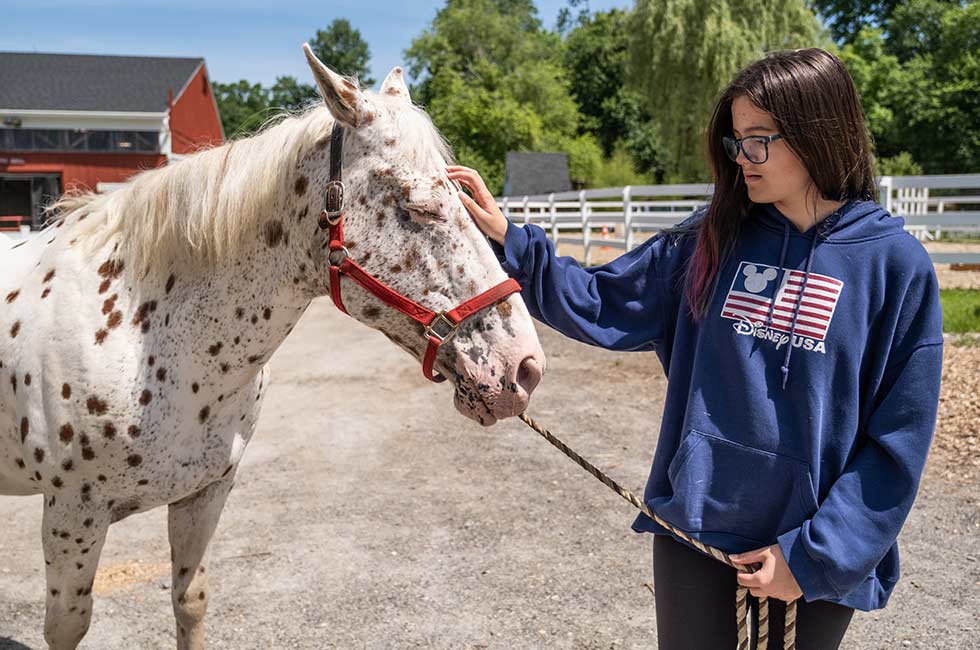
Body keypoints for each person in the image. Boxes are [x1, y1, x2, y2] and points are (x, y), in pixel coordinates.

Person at [447, 48, 944, 650]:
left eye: (759, 139)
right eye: (736, 140)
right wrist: (510, 240)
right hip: (696, 531)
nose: (742, 158)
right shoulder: (709, 239)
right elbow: (604, 300)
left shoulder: (895, 268)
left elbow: (898, 441)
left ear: (819, 134)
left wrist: (814, 558)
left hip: (811, 560)